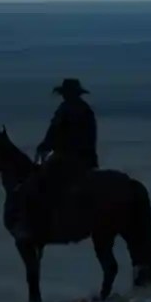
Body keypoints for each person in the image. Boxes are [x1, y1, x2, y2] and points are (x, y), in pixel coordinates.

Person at [15, 78, 99, 240]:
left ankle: (34, 224)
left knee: (36, 182)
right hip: (87, 158)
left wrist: (45, 145)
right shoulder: (84, 109)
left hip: (68, 158)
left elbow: (56, 133)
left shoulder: (67, 110)